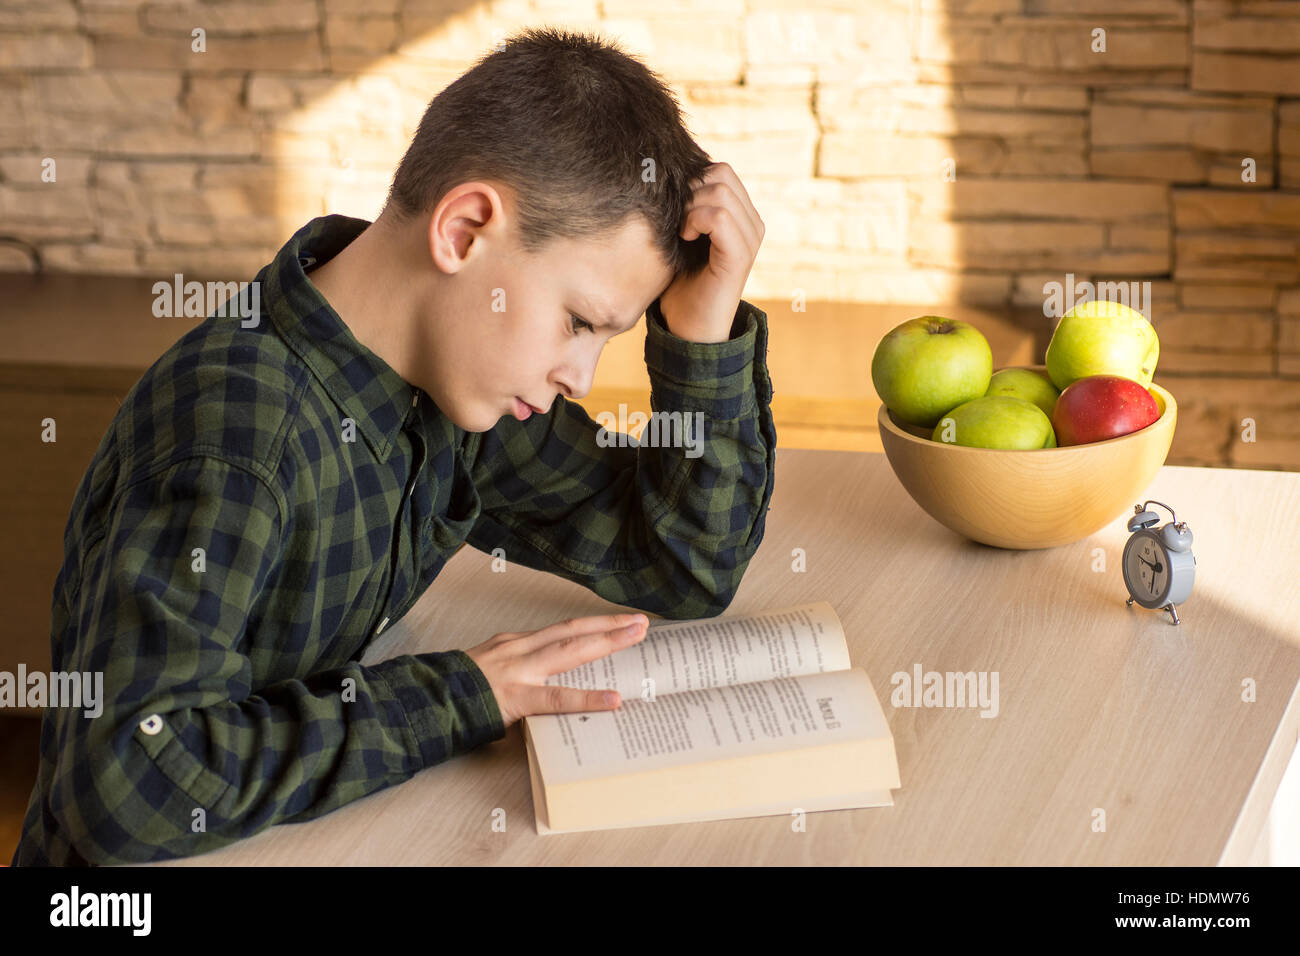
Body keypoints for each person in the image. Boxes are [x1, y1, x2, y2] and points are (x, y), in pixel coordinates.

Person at [13, 26, 774, 866]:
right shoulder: (235, 437)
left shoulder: (450, 385)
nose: (581, 377)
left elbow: (685, 566)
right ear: (464, 229)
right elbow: (130, 785)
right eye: (579, 323)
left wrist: (702, 338)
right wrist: (460, 695)